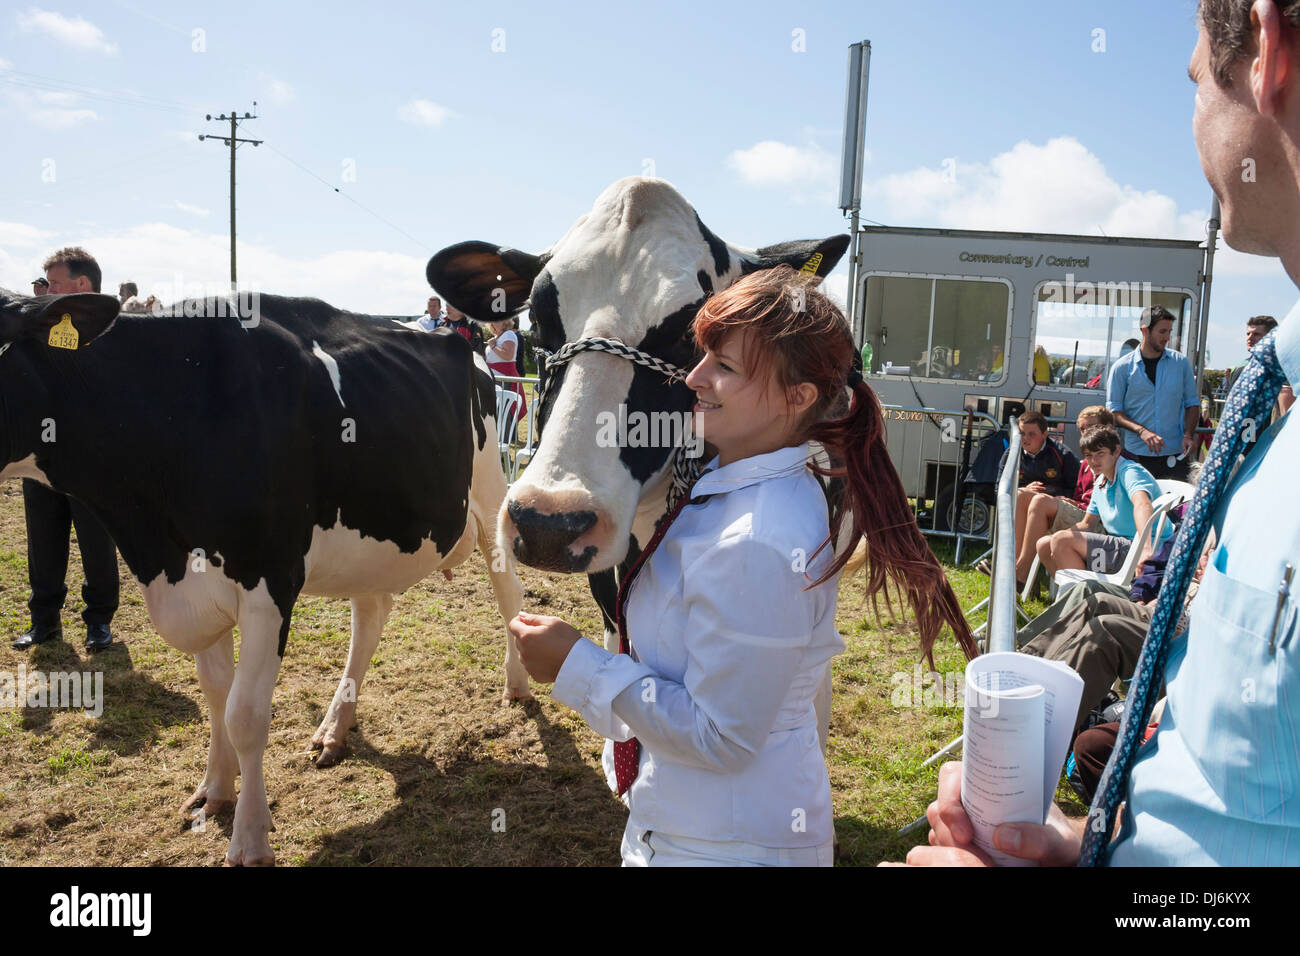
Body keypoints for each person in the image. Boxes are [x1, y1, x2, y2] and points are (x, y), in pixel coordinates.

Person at [898, 0, 1300, 866]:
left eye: (1195, 80)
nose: (1191, 114)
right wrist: (1083, 846)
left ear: (1266, 52)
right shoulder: (1274, 427)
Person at [508, 266, 975, 866]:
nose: (694, 377)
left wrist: (578, 665)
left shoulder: (758, 539)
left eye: (724, 368)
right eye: (702, 356)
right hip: (700, 827)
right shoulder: (739, 490)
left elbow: (722, 737)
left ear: (797, 397)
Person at [12, 247, 121, 651]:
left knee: (96, 540)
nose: (45, 289)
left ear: (81, 285)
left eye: (54, 283)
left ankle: (99, 621)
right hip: (39, 456)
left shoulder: (110, 330)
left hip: (90, 458)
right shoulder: (38, 327)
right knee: (42, 538)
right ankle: (44, 621)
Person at [1036, 424, 1171, 578]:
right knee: (1045, 544)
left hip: (1146, 547)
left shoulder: (1130, 471)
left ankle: (1087, 597)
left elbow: (1142, 504)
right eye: (1088, 455)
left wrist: (1145, 548)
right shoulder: (1101, 481)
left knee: (1062, 541)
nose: (1094, 460)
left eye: (1100, 453)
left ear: (1117, 451)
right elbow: (1087, 524)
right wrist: (1057, 536)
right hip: (1121, 545)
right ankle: (1074, 595)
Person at [1010, 405, 1111, 586]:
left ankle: (1020, 575)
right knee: (1022, 496)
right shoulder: (1088, 462)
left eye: (1092, 427)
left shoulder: (1115, 461)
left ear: (1109, 428)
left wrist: (1053, 494)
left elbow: (1112, 505)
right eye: (1082, 429)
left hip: (1097, 524)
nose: (1086, 432)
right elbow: (1079, 494)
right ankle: (1015, 566)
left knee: (1040, 501)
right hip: (1082, 511)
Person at [979, 410, 1079, 587]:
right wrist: (1024, 489)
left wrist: (1047, 493)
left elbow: (1075, 491)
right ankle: (1017, 571)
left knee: (1031, 499)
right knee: (1021, 495)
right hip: (1024, 510)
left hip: (1056, 511)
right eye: (1022, 433)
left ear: (1045, 434)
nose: (1025, 439)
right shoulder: (1012, 455)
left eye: (1032, 434)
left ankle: (1017, 573)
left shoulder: (1062, 454)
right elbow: (998, 489)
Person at [1106, 305, 1199, 480]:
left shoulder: (1181, 363)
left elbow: (1192, 403)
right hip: (1136, 456)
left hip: (1175, 456)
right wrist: (1142, 432)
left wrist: (1188, 435)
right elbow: (1114, 412)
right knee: (1140, 507)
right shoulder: (1122, 368)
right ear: (1145, 330)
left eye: (1169, 331)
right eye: (1162, 331)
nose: (1167, 337)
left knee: (1178, 507)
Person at [1227, 314, 1294, 416]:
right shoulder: (1243, 368)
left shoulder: (1288, 369)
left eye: (1256, 334)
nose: (1249, 338)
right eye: (1248, 333)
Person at [486, 317, 526, 428]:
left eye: (498, 320)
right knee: (497, 409)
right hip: (495, 378)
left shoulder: (509, 334)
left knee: (505, 410)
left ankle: (507, 436)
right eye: (493, 320)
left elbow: (508, 356)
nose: (495, 323)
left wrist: (493, 346)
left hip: (504, 378)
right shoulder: (496, 337)